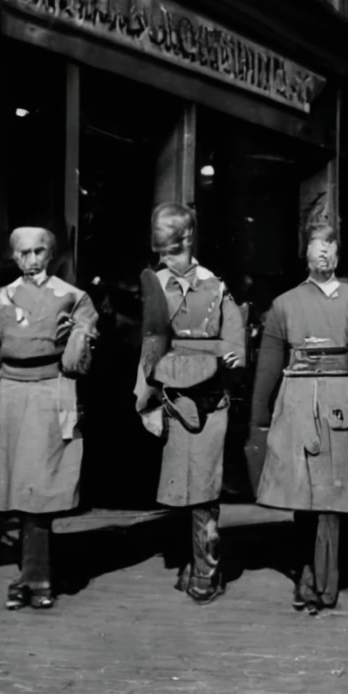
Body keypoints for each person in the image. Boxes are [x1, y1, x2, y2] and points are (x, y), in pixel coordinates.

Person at [248, 223, 348, 614]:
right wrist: (259, 420)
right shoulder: (284, 304)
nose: (323, 252)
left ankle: (326, 582)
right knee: (303, 495)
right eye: (316, 245)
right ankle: (306, 576)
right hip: (295, 401)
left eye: (330, 246)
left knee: (331, 498)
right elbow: (268, 367)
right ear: (306, 254)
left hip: (340, 404)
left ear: (338, 256)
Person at [0, 228, 98, 610]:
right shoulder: (3, 297)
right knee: (17, 487)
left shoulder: (73, 296)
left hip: (49, 391)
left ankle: (36, 578)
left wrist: (78, 338)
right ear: (14, 257)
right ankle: (32, 576)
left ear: (51, 254)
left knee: (41, 487)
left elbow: (83, 355)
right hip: (10, 393)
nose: (31, 260)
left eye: (39, 252)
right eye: (23, 253)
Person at [134, 203, 245, 604]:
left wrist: (230, 356)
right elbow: (151, 344)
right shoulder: (157, 283)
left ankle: (206, 572)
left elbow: (235, 342)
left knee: (205, 490)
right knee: (184, 488)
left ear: (187, 237)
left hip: (210, 400)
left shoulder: (214, 285)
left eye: (171, 243)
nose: (166, 254)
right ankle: (194, 563)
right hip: (174, 400)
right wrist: (146, 403)